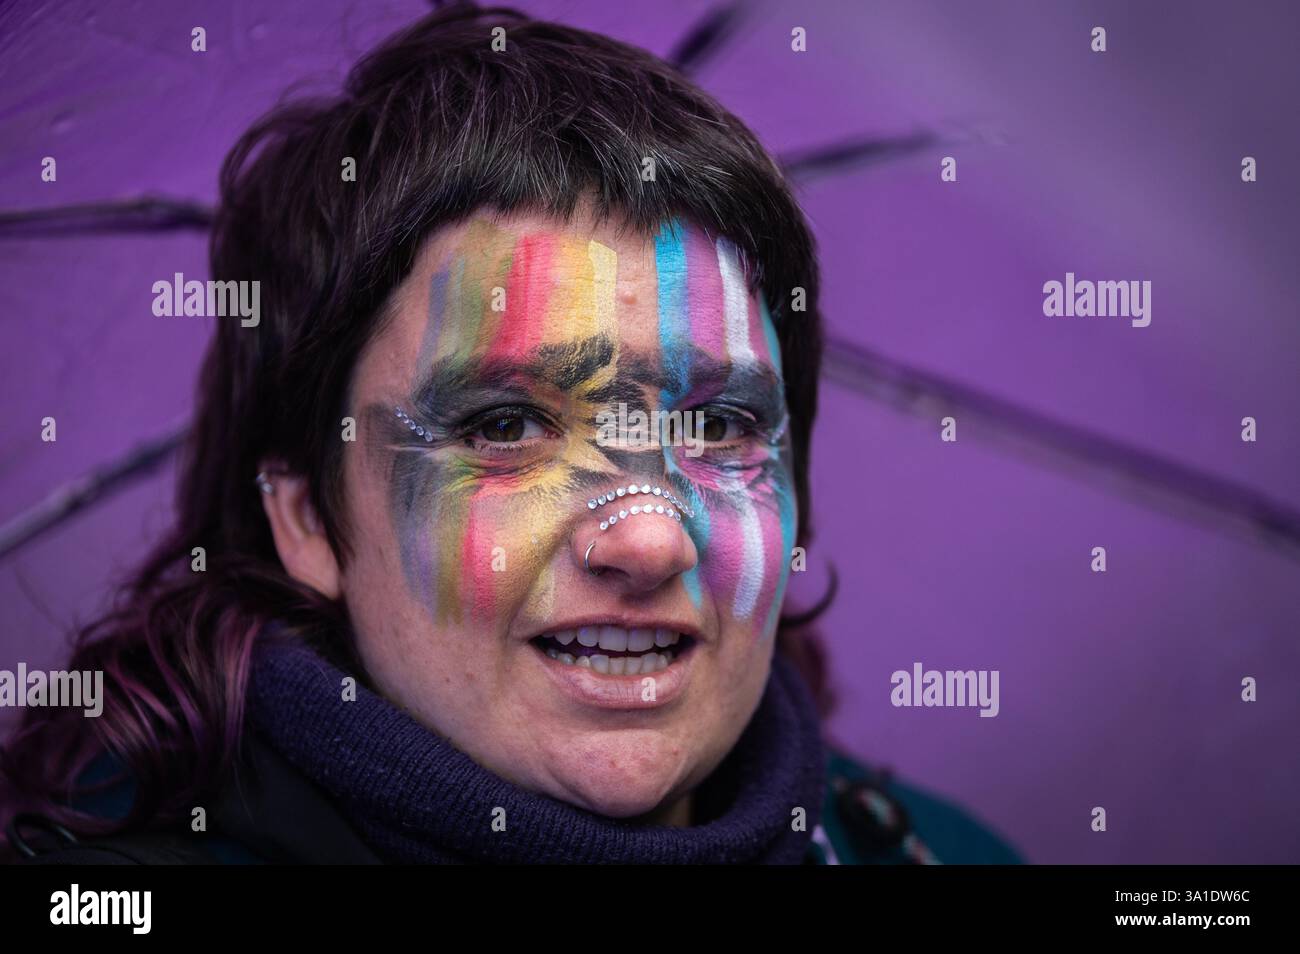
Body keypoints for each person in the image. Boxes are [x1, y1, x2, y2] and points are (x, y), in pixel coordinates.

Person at [1, 3, 1020, 865]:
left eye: (717, 424)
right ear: (310, 517)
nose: (648, 538)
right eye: (506, 425)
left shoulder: (931, 851)